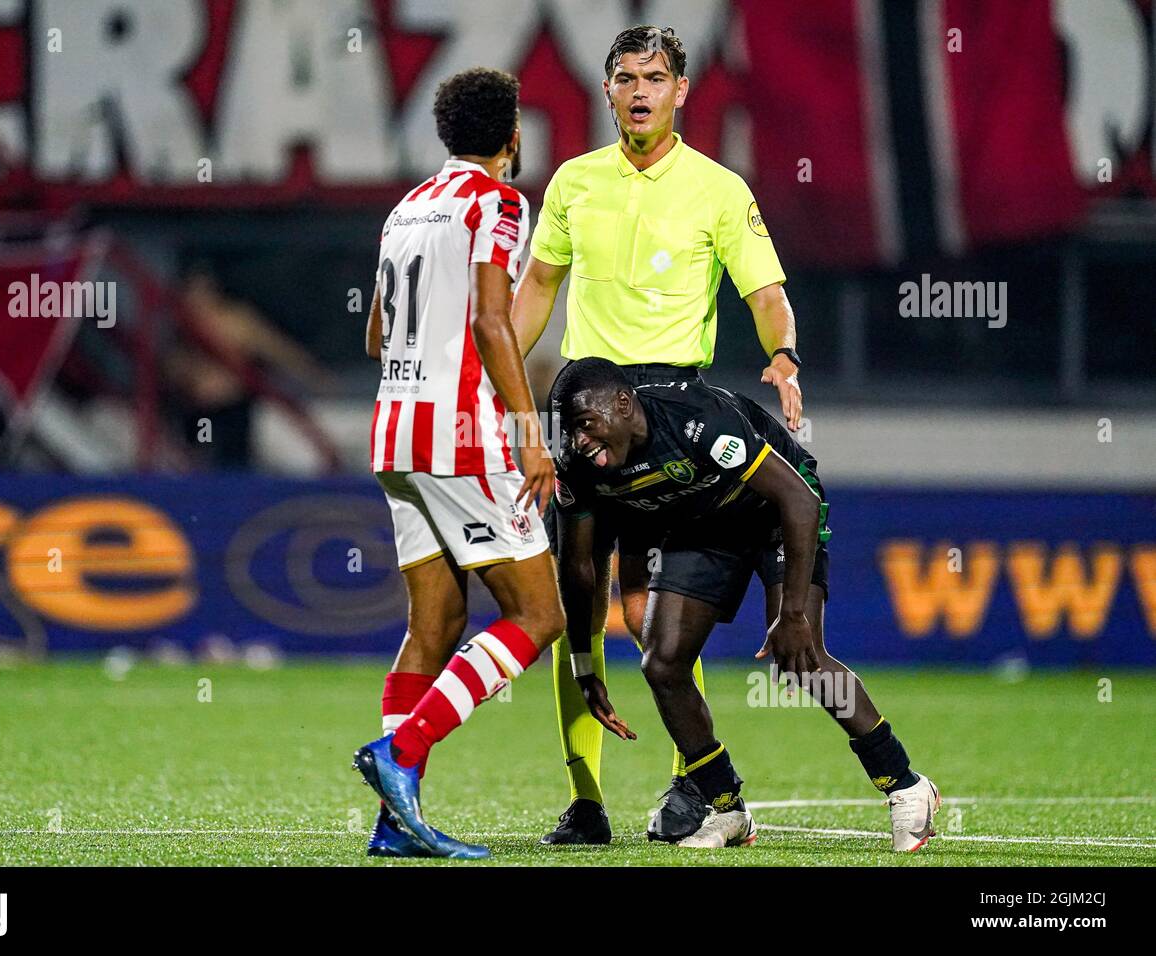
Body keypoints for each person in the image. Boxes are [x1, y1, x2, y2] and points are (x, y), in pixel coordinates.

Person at [509, 24, 806, 844]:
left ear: (681, 90)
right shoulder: (572, 181)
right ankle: (586, 799)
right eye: (624, 77)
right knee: (579, 605)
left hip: (676, 415)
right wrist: (493, 367)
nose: (639, 90)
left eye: (655, 77)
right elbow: (538, 285)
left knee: (661, 613)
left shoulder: (717, 188)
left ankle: (690, 786)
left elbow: (766, 290)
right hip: (584, 409)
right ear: (605, 90)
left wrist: (781, 353)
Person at [550, 358, 940, 852]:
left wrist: (792, 614)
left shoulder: (697, 421)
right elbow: (578, 566)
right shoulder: (574, 465)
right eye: (571, 430)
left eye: (586, 424)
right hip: (705, 523)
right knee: (663, 664)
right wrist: (585, 665)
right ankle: (727, 809)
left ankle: (905, 785)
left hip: (777, 509)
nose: (580, 440)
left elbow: (798, 500)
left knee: (803, 659)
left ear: (623, 405)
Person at [352, 68, 565, 859]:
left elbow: (375, 334)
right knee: (539, 615)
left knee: (434, 625)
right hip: (461, 432)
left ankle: (393, 823)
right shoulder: (501, 202)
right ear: (512, 137)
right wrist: (529, 428)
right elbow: (491, 319)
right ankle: (400, 754)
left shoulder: (404, 209)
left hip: (393, 431)